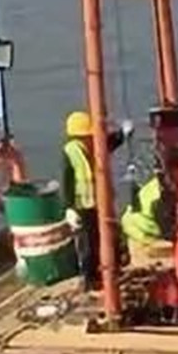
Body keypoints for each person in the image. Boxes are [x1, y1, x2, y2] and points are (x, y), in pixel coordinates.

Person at [59, 109, 128, 287]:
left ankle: (112, 266)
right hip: (82, 206)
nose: (92, 138)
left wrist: (122, 134)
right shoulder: (71, 152)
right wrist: (69, 208)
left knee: (106, 235)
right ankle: (91, 278)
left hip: (99, 202)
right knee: (88, 243)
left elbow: (108, 144)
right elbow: (67, 181)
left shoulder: (92, 146)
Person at [120, 166, 178, 269]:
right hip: (145, 240)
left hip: (136, 231)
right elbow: (168, 231)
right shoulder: (162, 198)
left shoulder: (158, 185)